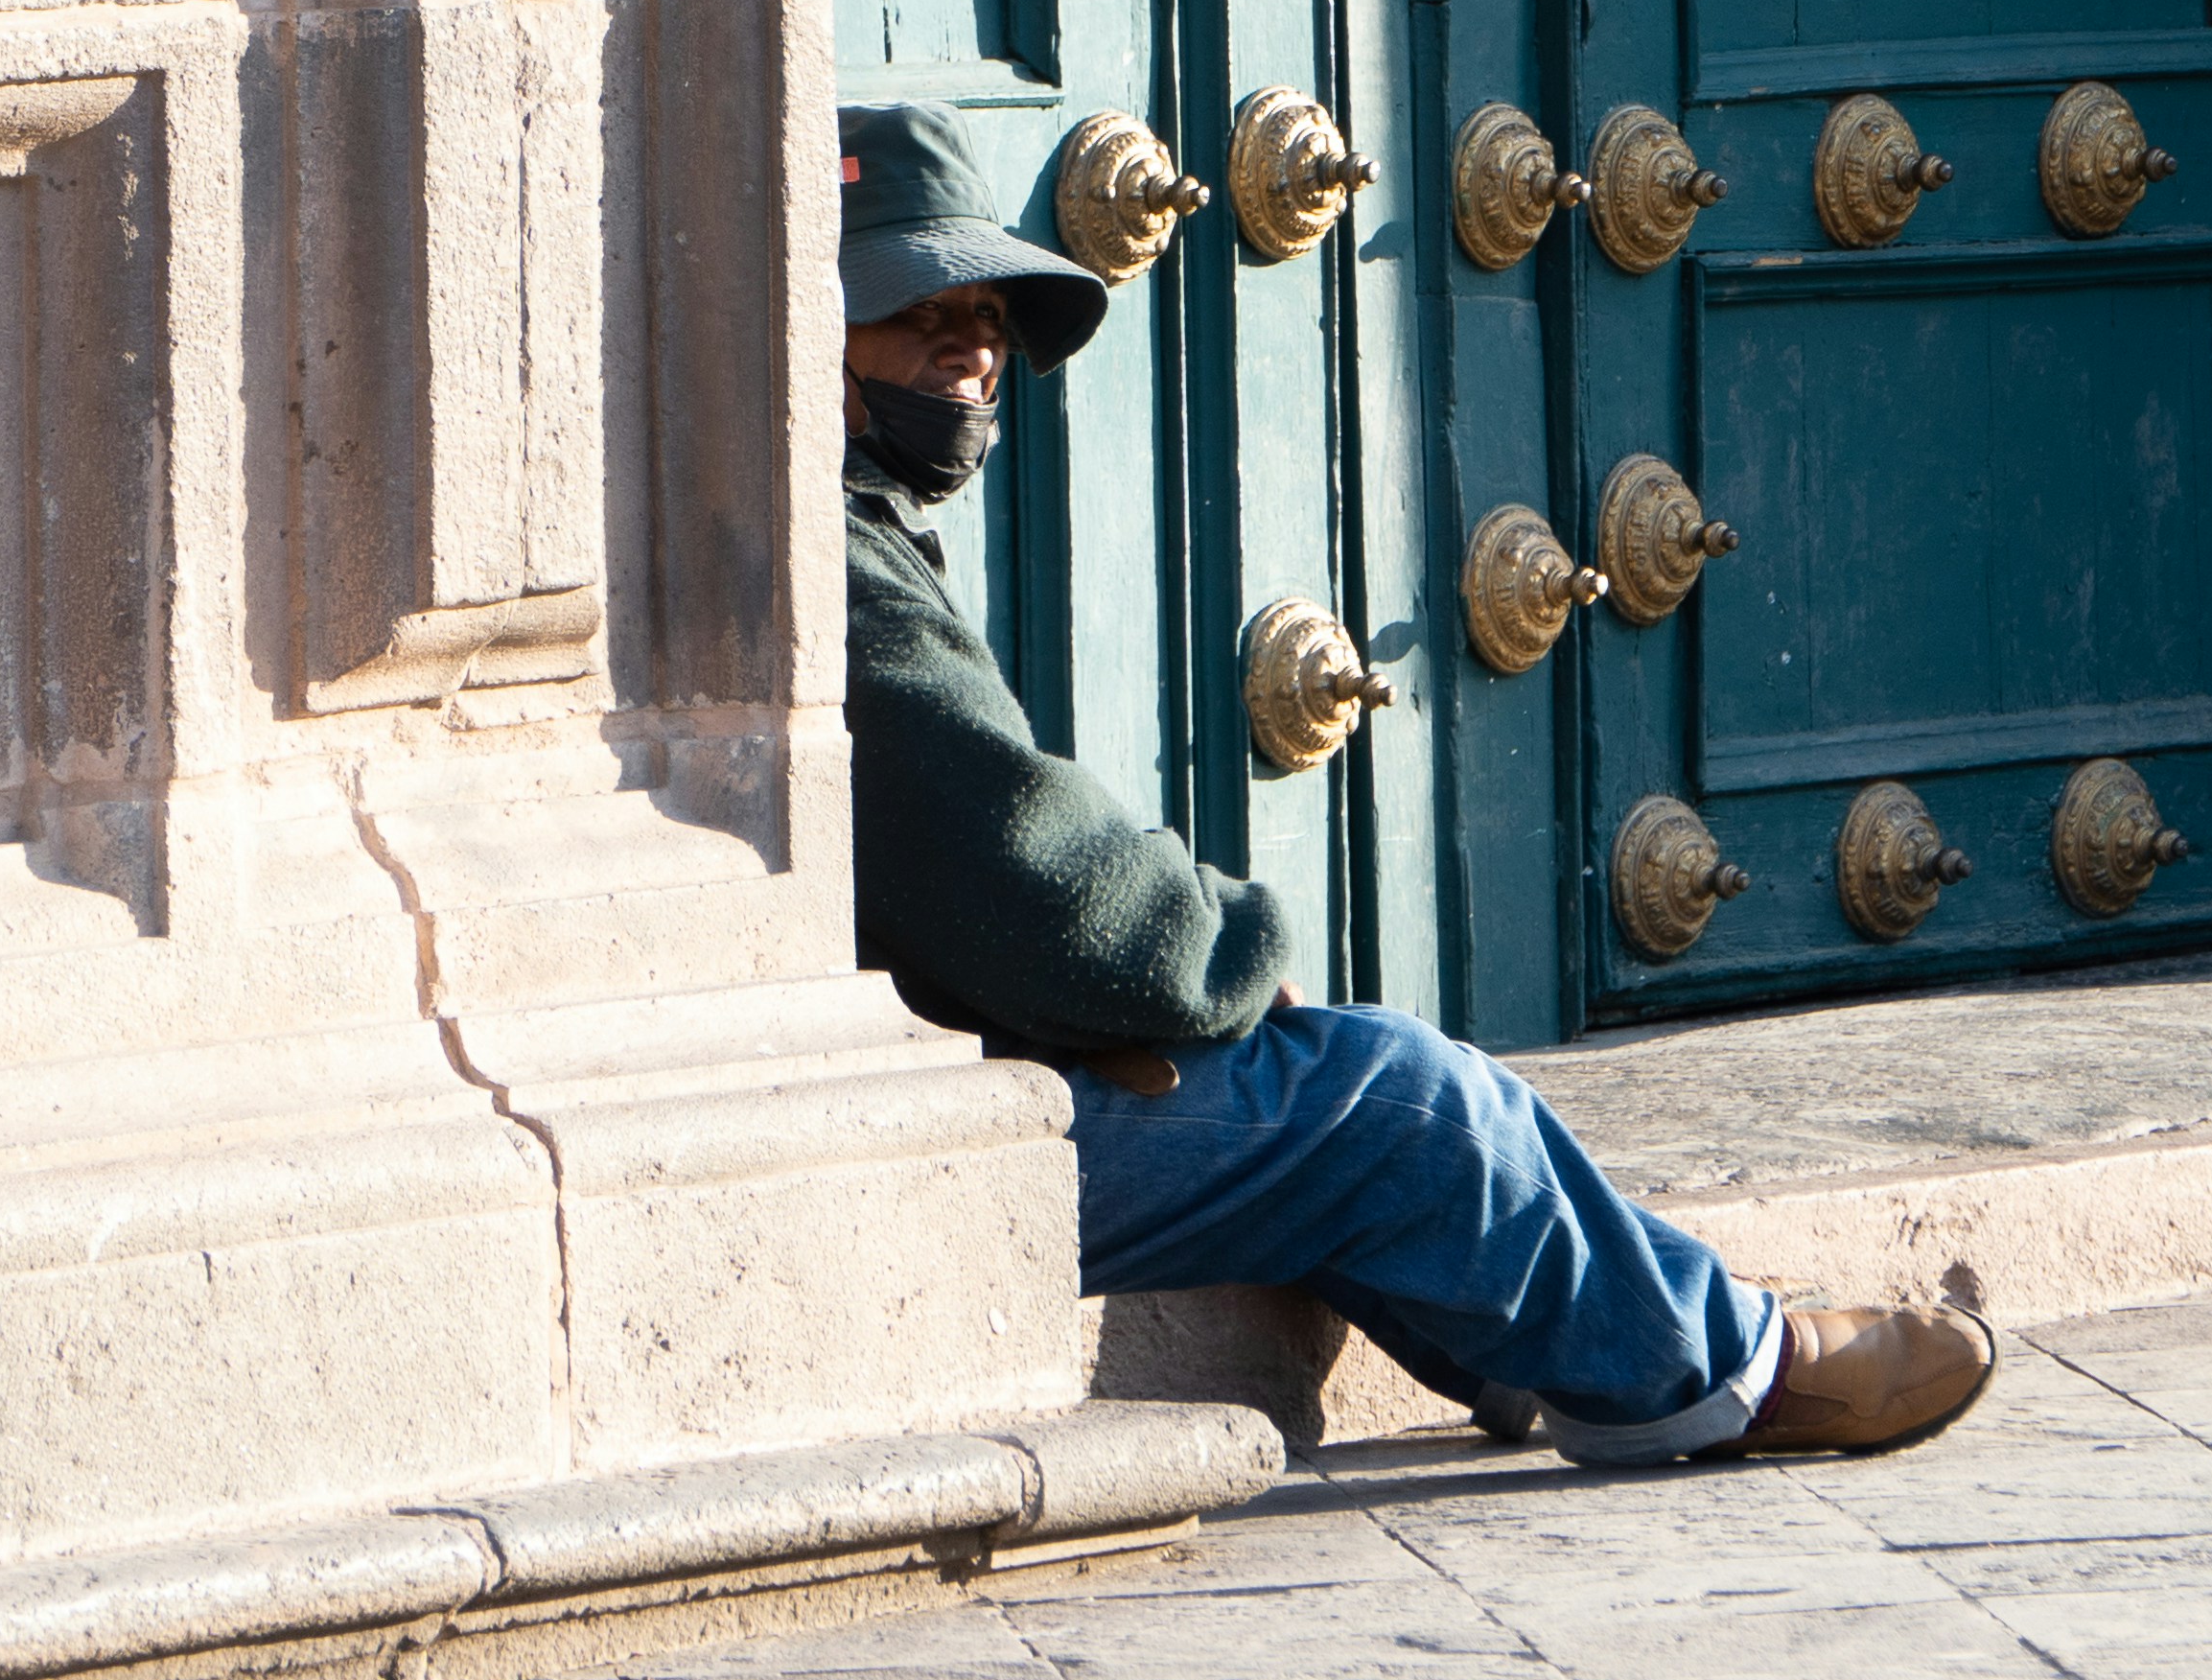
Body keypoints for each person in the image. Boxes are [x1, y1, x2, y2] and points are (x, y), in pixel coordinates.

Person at [836, 100, 1994, 1468]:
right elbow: (1020, 873)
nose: (968, 348)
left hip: (922, 1101)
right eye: (918, 313)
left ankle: (1602, 1340)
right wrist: (1225, 955)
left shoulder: (850, 523)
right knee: (1402, 1102)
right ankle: (1739, 1373)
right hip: (888, 1161)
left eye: (987, 313)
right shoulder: (837, 570)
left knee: (1349, 1094)